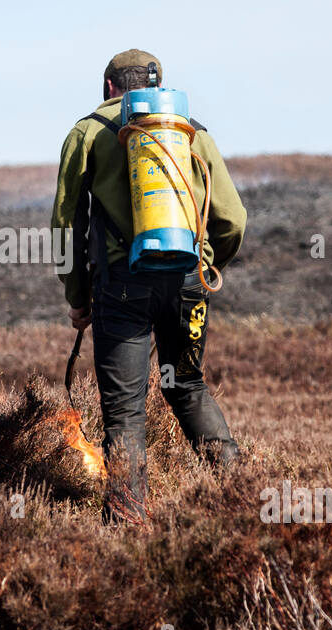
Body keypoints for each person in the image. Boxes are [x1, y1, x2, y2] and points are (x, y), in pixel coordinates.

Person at [51, 49, 248, 521]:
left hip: (121, 289)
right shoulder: (190, 132)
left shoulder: (87, 132)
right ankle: (243, 494)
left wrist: (77, 296)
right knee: (187, 386)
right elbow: (234, 220)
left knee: (125, 412)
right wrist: (203, 266)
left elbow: (65, 226)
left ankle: (127, 522)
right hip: (186, 285)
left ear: (109, 88)